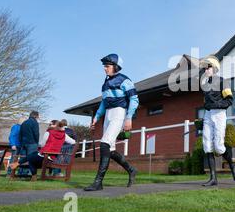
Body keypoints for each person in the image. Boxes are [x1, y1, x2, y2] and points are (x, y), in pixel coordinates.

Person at [84, 54, 139, 191]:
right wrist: (96, 117)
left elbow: (134, 99)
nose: (105, 69)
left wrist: (129, 117)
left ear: (116, 66)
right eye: (104, 66)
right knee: (111, 149)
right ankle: (131, 170)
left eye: (107, 66)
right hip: (108, 114)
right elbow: (104, 102)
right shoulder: (105, 83)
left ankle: (98, 182)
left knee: (104, 144)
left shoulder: (125, 80)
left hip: (119, 113)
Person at [200, 55, 235, 186]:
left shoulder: (223, 81)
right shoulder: (204, 85)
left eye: (208, 67)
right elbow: (206, 102)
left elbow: (229, 100)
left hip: (219, 115)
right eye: (205, 68)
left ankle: (232, 166)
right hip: (208, 115)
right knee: (207, 145)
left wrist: (215, 105)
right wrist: (206, 106)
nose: (206, 69)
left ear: (214, 68)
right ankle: (213, 179)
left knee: (219, 147)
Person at [10, 120, 75, 181]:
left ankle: (19, 164)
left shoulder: (49, 132)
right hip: (53, 157)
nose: (49, 125)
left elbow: (42, 144)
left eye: (50, 124)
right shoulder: (64, 135)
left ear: (55, 126)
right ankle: (32, 175)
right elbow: (73, 142)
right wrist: (61, 145)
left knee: (30, 157)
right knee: (32, 158)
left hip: (45, 156)